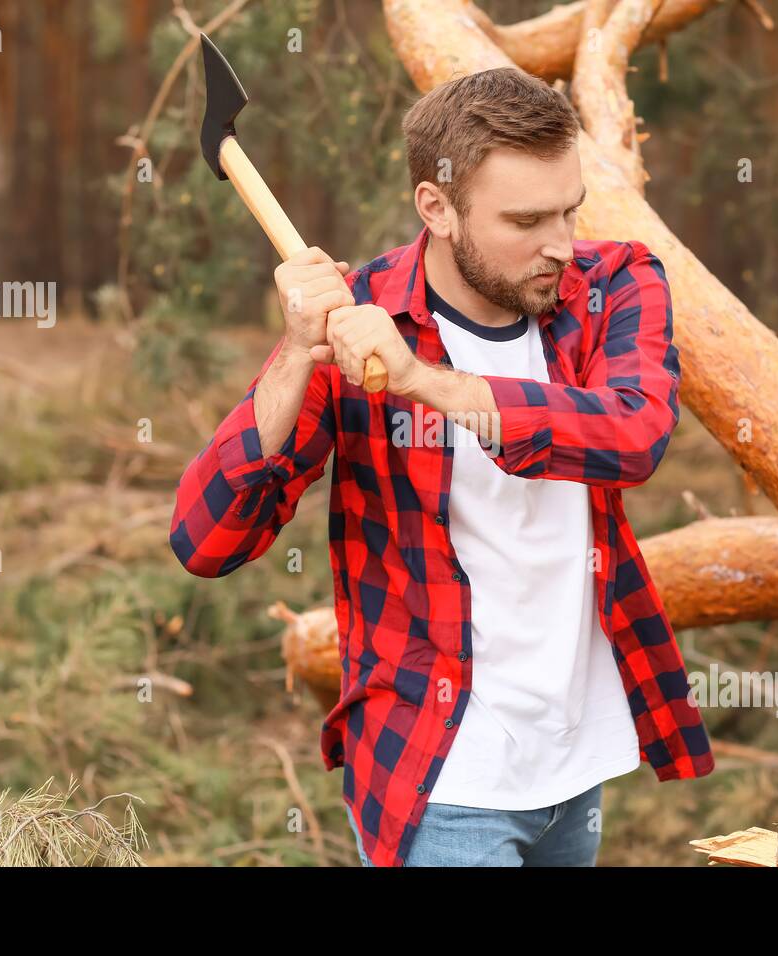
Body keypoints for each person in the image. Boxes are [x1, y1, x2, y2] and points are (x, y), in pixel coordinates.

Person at [170, 66, 714, 867]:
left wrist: (425, 381)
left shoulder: (613, 285)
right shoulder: (359, 322)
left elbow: (633, 437)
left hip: (575, 761)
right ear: (438, 207)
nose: (560, 244)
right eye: (526, 219)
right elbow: (206, 541)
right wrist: (295, 354)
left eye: (570, 210)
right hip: (439, 772)